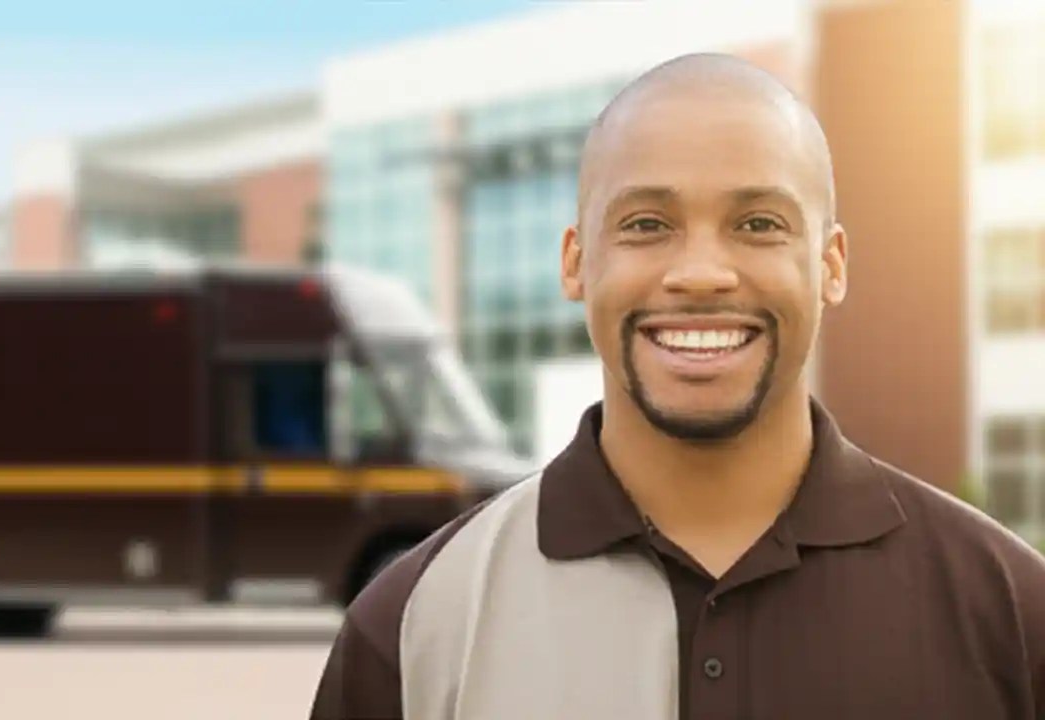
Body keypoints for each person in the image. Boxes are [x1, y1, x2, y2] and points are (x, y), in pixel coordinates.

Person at [307, 52, 1045, 720]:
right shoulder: (413, 626)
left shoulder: (1012, 614)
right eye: (646, 224)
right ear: (575, 262)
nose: (699, 272)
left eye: (758, 223)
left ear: (831, 264)